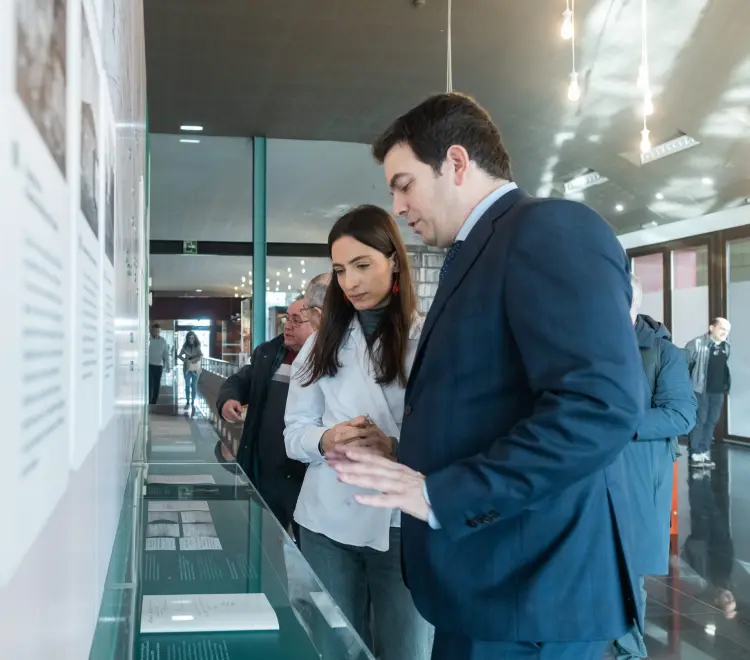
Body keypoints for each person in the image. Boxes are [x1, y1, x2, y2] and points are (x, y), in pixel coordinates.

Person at [332, 92, 645, 660]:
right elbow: (492, 406)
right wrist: (404, 453)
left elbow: (598, 408)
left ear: (455, 163)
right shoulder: (480, 249)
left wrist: (441, 494)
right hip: (488, 586)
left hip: (530, 593)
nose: (397, 207)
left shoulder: (548, 229)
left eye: (403, 184)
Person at [285, 205, 433, 660]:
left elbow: (454, 437)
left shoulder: (426, 335)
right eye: (340, 270)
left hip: (401, 522)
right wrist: (326, 439)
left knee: (405, 647)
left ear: (394, 261)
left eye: (362, 265)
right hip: (327, 518)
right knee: (333, 645)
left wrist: (393, 447)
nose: (350, 282)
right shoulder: (320, 342)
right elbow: (294, 435)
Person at [612, 275, 697, 660]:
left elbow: (681, 414)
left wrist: (613, 426)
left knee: (627, 578)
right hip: (585, 479)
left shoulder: (662, 351)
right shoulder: (579, 347)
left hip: (636, 480)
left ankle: (631, 652)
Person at [216, 297, 315, 534]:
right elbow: (241, 381)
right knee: (265, 544)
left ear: (318, 323)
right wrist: (229, 399)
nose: (287, 326)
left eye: (296, 320)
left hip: (307, 476)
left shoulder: (329, 360)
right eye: (286, 319)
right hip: (266, 471)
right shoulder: (269, 353)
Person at [685, 318, 732, 468]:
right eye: (722, 328)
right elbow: (683, 363)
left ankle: (703, 451)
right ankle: (694, 452)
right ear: (712, 328)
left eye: (727, 330)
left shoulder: (726, 346)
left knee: (711, 420)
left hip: (717, 391)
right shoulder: (697, 344)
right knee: (700, 420)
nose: (725, 332)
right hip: (700, 389)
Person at [177, 331, 203, 413]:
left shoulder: (197, 346)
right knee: (187, 385)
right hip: (187, 368)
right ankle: (187, 402)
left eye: (192, 338)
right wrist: (185, 361)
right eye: (189, 338)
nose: (191, 339)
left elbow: (201, 355)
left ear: (194, 338)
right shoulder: (185, 346)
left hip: (195, 368)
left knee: (194, 385)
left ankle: (192, 402)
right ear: (187, 339)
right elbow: (179, 355)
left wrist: (193, 360)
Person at [147, 323, 170, 405]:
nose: (157, 333)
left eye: (158, 332)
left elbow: (166, 354)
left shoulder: (163, 341)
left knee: (157, 384)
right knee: (149, 384)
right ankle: (148, 400)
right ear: (151, 331)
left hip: (159, 366)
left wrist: (168, 365)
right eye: (155, 331)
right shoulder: (147, 339)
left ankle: (154, 401)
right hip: (149, 365)